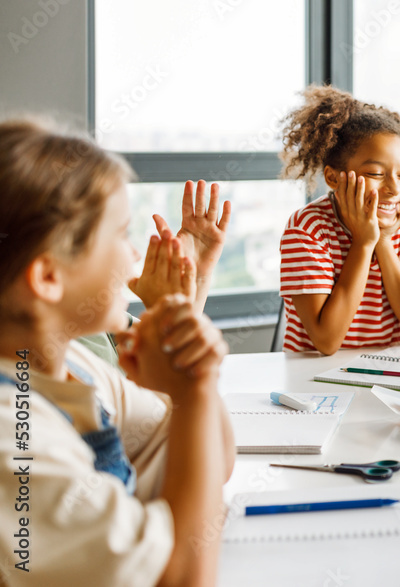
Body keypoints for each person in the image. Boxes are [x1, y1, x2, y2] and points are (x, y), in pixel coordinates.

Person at [0, 118, 235, 586]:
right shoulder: (15, 441)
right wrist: (193, 391)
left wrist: (188, 361)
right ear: (48, 277)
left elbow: (214, 461)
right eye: (120, 234)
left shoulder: (73, 369)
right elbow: (184, 578)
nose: (133, 256)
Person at [278, 85, 400, 354]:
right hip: (316, 380)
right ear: (333, 178)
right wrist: (365, 243)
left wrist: (384, 241)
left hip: (390, 374)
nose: (393, 188)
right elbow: (327, 342)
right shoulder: (308, 229)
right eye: (376, 174)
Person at [76, 179, 231, 366]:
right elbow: (170, 379)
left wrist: (195, 277)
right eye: (121, 235)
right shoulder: (76, 357)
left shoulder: (98, 319)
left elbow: (167, 357)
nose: (136, 254)